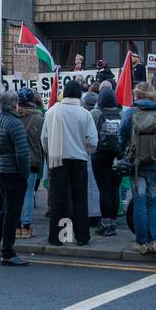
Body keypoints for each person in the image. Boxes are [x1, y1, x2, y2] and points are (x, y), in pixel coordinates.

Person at [43, 78, 99, 246]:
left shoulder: (51, 112)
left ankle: (60, 237)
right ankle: (81, 237)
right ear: (79, 94)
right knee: (79, 199)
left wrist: (52, 150)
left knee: (59, 199)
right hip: (79, 160)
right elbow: (93, 142)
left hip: (58, 159)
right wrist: (84, 151)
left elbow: (45, 139)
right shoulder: (85, 114)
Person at [120, 82, 156, 254]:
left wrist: (124, 153)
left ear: (138, 96)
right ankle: (154, 241)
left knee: (139, 203)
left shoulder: (130, 113)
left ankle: (141, 242)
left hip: (136, 165)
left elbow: (121, 137)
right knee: (153, 203)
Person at [0, 91, 32, 266]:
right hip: (13, 172)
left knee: (5, 210)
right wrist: (24, 174)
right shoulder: (15, 123)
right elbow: (22, 154)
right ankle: (7, 252)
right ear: (15, 105)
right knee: (12, 213)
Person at [90, 86, 124, 236]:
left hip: (100, 155)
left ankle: (105, 225)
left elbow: (90, 133)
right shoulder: (122, 113)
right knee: (114, 189)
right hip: (118, 155)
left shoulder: (96, 113)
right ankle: (113, 223)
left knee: (103, 189)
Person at [16, 88, 45, 239]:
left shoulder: (13, 117)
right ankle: (26, 227)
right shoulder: (39, 119)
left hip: (14, 161)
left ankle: (15, 226)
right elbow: (44, 141)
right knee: (28, 194)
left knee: (15, 195)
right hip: (32, 160)